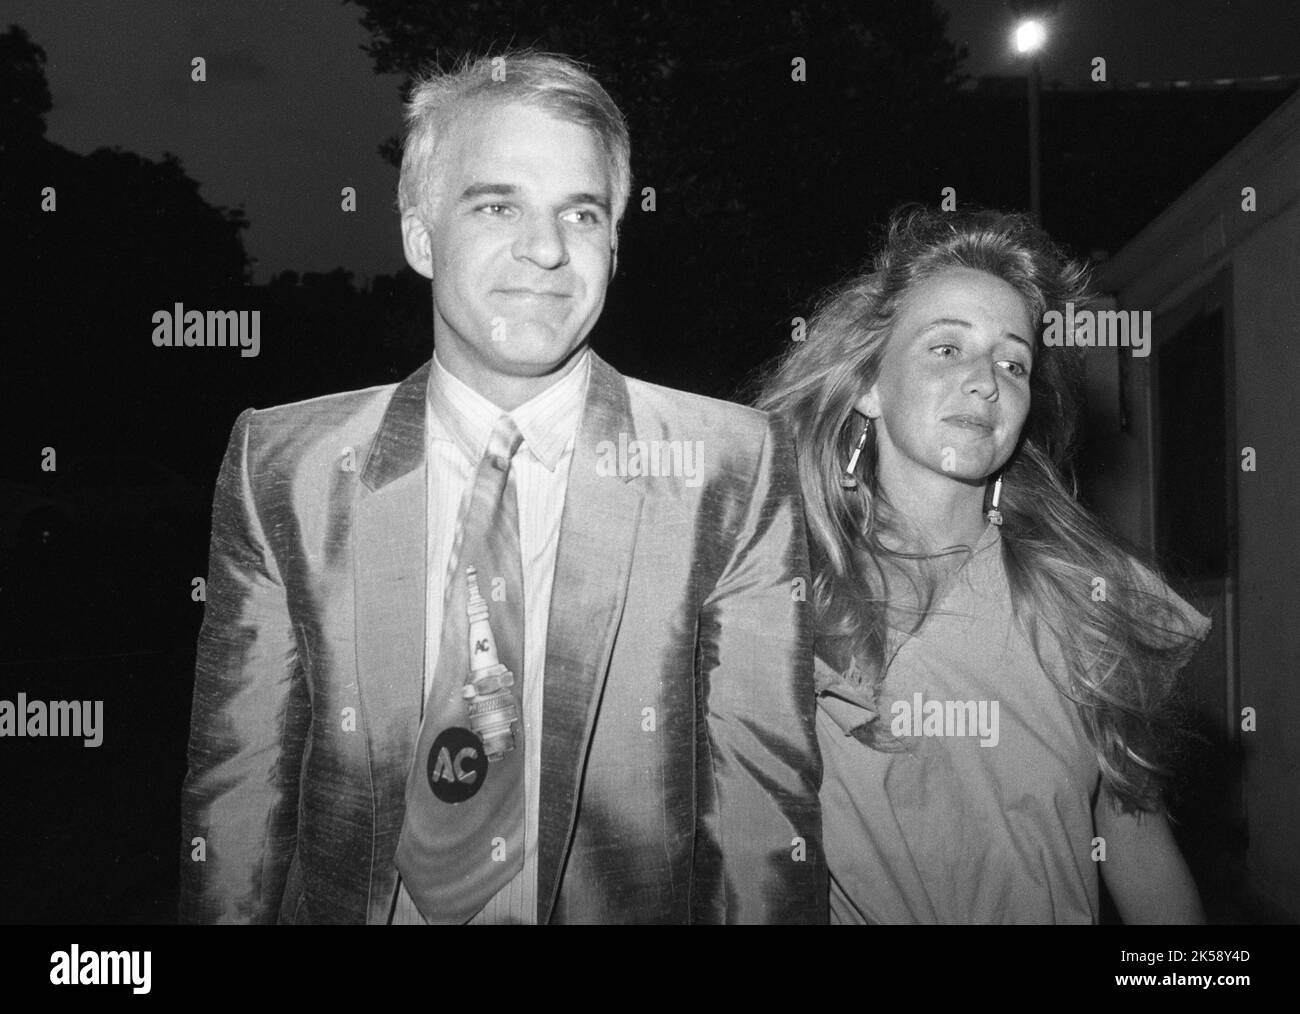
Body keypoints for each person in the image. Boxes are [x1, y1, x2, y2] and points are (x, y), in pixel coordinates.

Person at [180, 50, 824, 925]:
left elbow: (763, 824)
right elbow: (237, 798)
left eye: (582, 214)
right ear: (419, 234)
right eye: (496, 205)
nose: (547, 249)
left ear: (614, 243)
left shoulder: (730, 469)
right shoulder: (282, 466)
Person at [757, 206, 1210, 924]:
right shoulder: (773, 587)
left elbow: (1134, 836)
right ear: (869, 385)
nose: (985, 381)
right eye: (945, 349)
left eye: (1012, 362)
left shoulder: (1087, 592)